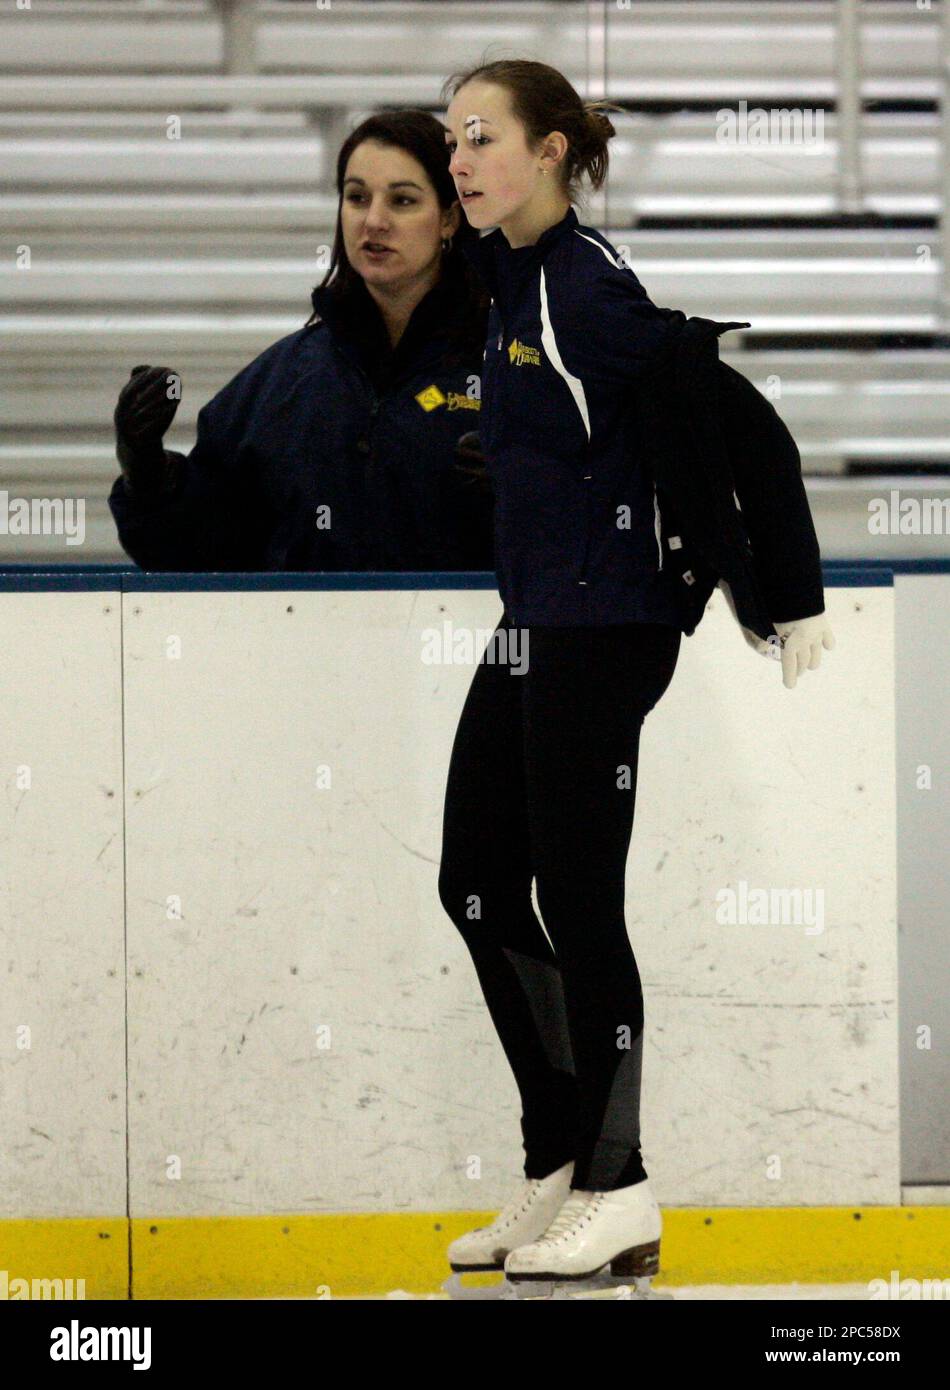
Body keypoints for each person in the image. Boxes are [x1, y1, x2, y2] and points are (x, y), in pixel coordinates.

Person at [436, 58, 836, 1291]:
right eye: (451, 138)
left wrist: (790, 585)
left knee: (579, 898)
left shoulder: (584, 289)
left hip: (604, 632)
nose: (459, 160)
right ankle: (560, 1158)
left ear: (553, 150)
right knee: (475, 886)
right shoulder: (506, 278)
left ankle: (620, 1186)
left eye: (482, 137)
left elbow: (727, 403)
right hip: (533, 624)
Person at [108, 111, 493, 573]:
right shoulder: (285, 377)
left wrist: (535, 490)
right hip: (302, 642)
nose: (373, 221)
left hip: (466, 644)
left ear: (450, 218)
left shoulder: (512, 366)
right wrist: (147, 474)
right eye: (356, 197)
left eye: (403, 201)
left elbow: (583, 548)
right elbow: (201, 552)